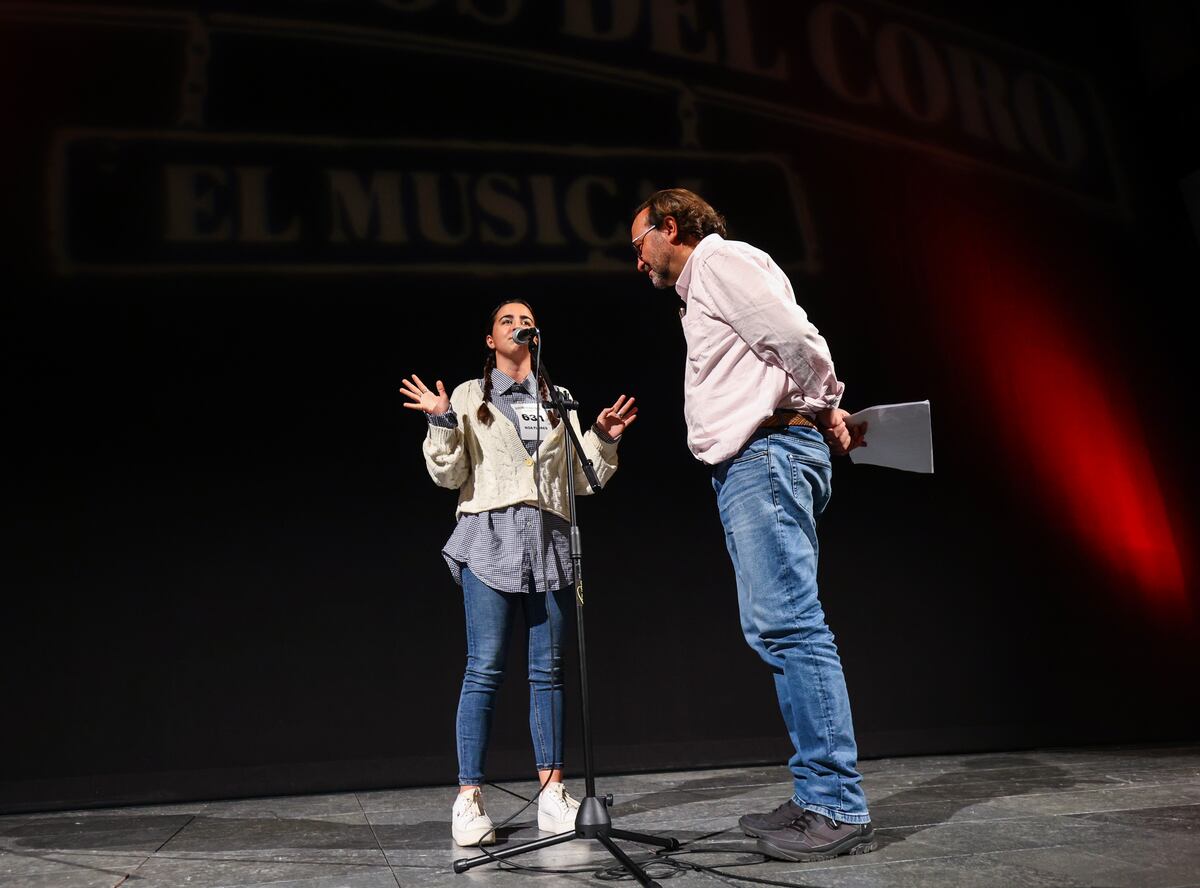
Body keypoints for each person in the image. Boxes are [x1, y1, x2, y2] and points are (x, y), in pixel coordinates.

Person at [629, 189, 874, 862]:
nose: (638, 260)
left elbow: (795, 338)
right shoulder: (710, 278)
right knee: (776, 626)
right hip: (758, 461)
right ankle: (815, 795)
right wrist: (821, 413)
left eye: (639, 243)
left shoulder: (719, 263)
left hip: (765, 457)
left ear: (668, 228)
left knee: (792, 624)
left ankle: (836, 806)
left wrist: (825, 404)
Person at [399, 299, 637, 848]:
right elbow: (449, 474)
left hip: (549, 543)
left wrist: (605, 436)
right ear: (490, 340)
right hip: (490, 541)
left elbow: (584, 483)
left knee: (548, 671)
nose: (517, 326)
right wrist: (440, 421)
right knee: (484, 667)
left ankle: (553, 795)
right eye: (506, 320)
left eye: (525, 319)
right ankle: (469, 799)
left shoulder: (558, 400)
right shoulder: (468, 396)